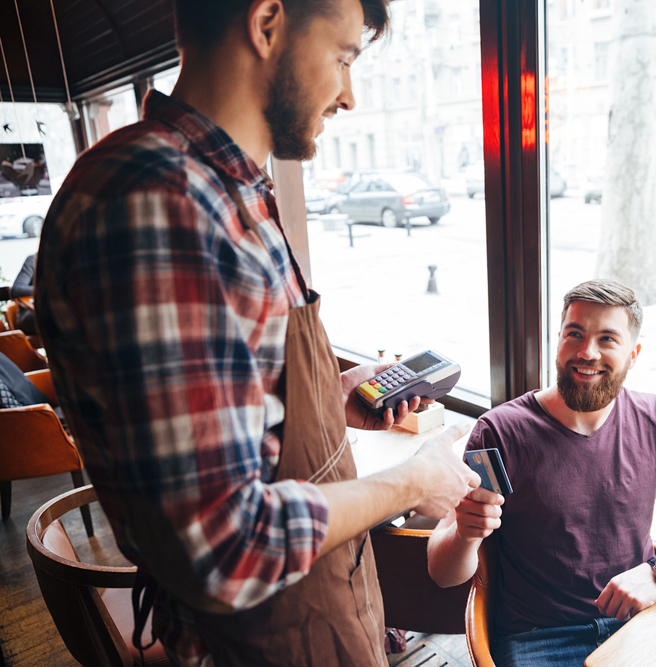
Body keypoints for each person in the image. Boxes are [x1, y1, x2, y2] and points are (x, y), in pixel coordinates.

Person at [34, 1, 480, 666]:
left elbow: (220, 402)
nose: (349, 96)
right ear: (267, 22)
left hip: (317, 615)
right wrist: (417, 482)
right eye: (344, 56)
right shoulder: (162, 205)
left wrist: (325, 397)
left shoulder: (224, 187)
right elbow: (224, 547)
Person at [427, 279, 656, 667]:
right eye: (575, 334)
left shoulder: (655, 418)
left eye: (607, 339)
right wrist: (466, 535)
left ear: (633, 354)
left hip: (639, 623)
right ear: (558, 340)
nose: (587, 352)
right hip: (540, 640)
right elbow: (443, 572)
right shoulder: (500, 432)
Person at [10, 253, 37, 334]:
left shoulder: (69, 261)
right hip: (29, 314)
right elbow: (16, 289)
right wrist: (48, 290)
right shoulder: (34, 259)